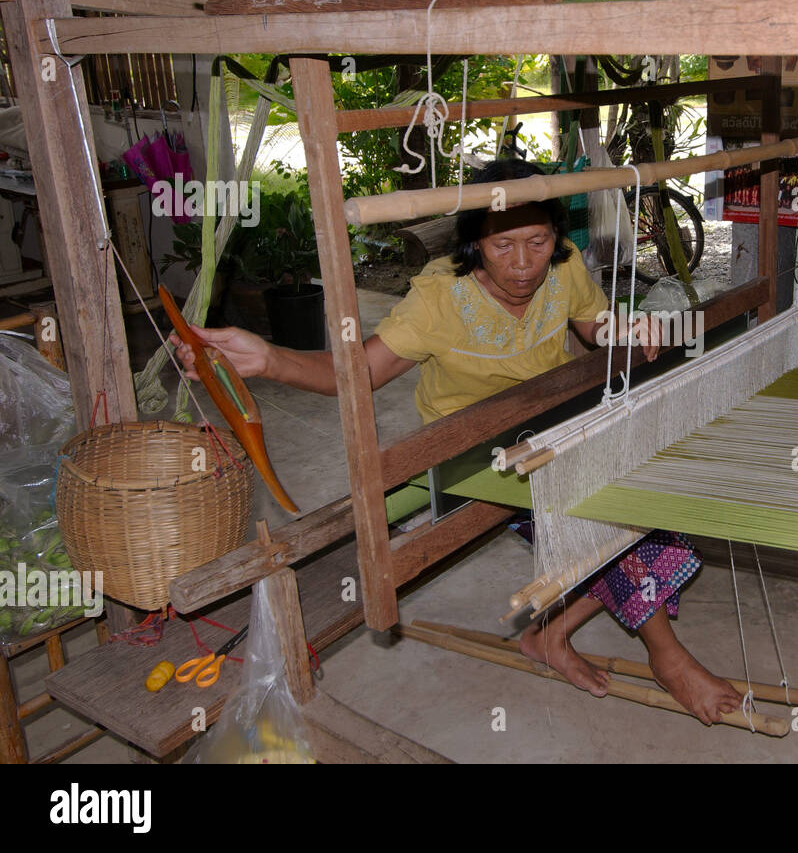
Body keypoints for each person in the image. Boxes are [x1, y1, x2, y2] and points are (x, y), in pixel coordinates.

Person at [171, 158, 742, 724]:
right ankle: (669, 657)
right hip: (473, 454)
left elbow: (593, 325)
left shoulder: (563, 270)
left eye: (538, 242)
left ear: (555, 237)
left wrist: (628, 326)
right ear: (472, 243)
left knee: (655, 508)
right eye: (502, 246)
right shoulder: (438, 300)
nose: (523, 265)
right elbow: (356, 374)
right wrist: (269, 358)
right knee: (602, 516)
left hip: (555, 424)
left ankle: (548, 636)